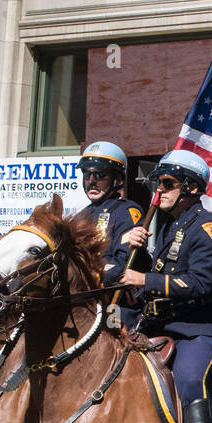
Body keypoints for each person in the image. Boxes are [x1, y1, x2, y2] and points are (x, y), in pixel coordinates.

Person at [115, 148, 212, 423]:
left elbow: (200, 283)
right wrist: (130, 249)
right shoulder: (163, 227)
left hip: (197, 328)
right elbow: (149, 276)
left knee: (190, 379)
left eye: (168, 183)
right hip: (156, 323)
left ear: (192, 189)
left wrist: (144, 277)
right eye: (157, 183)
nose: (158, 191)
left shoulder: (208, 226)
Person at [81, 140, 144, 329]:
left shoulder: (127, 211)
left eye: (99, 175)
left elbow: (121, 266)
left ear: (117, 179)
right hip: (83, 302)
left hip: (115, 305)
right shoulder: (80, 216)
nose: (91, 181)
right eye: (87, 174)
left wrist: (82, 279)